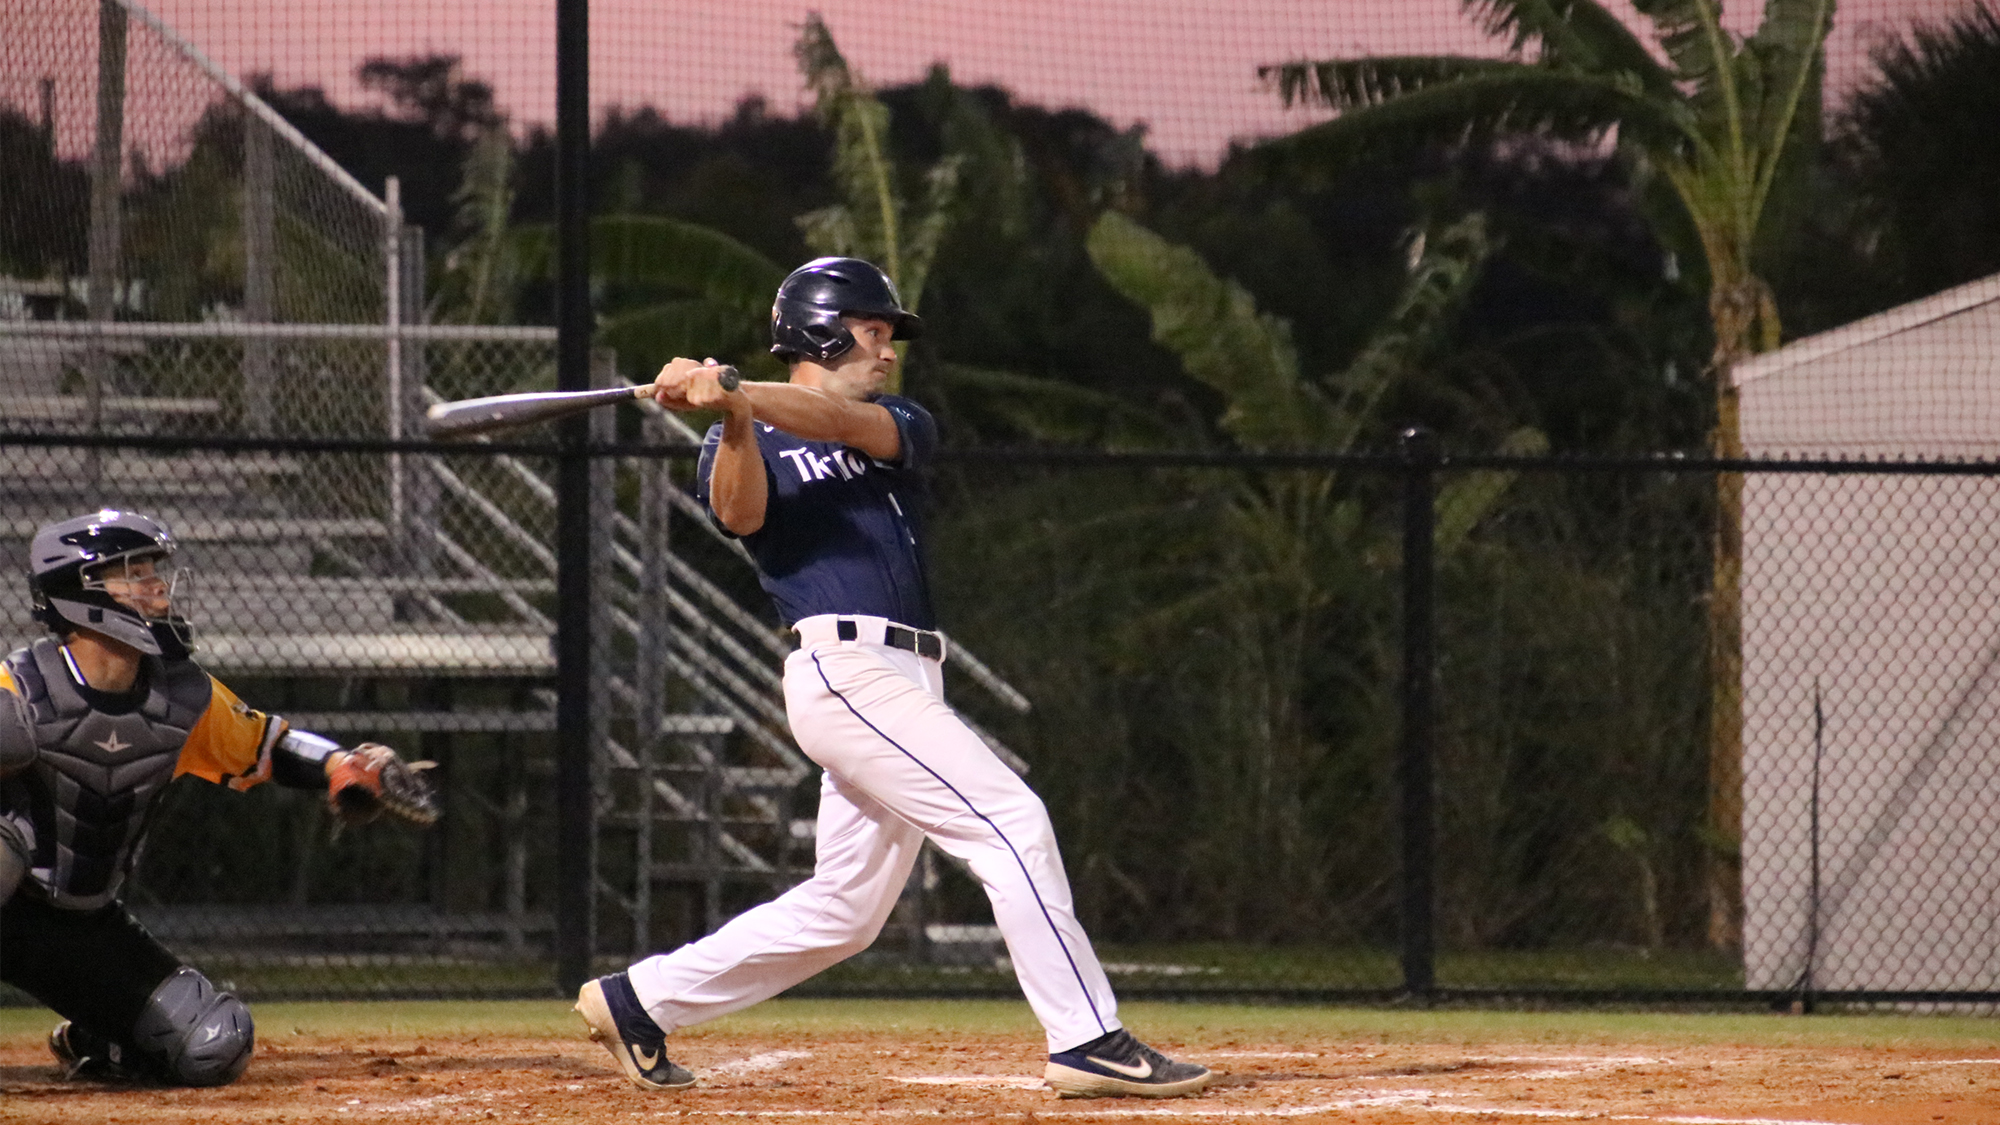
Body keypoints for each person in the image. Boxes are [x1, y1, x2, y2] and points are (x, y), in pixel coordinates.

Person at [572, 257, 1213, 1099]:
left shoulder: (896, 420)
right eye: (872, 331)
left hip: (907, 674)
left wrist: (735, 389)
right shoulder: (744, 437)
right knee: (1011, 822)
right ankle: (1086, 1037)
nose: (887, 350)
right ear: (820, 333)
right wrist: (732, 416)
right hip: (845, 669)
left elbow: (839, 422)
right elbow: (739, 513)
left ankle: (640, 999)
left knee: (847, 907)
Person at [0, 509, 438, 1086]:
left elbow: (269, 746)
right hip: (10, 906)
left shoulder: (181, 698)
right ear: (79, 591)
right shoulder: (18, 690)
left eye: (154, 571)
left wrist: (339, 765)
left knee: (214, 1044)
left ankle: (100, 1036)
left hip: (83, 925)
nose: (157, 587)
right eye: (133, 573)